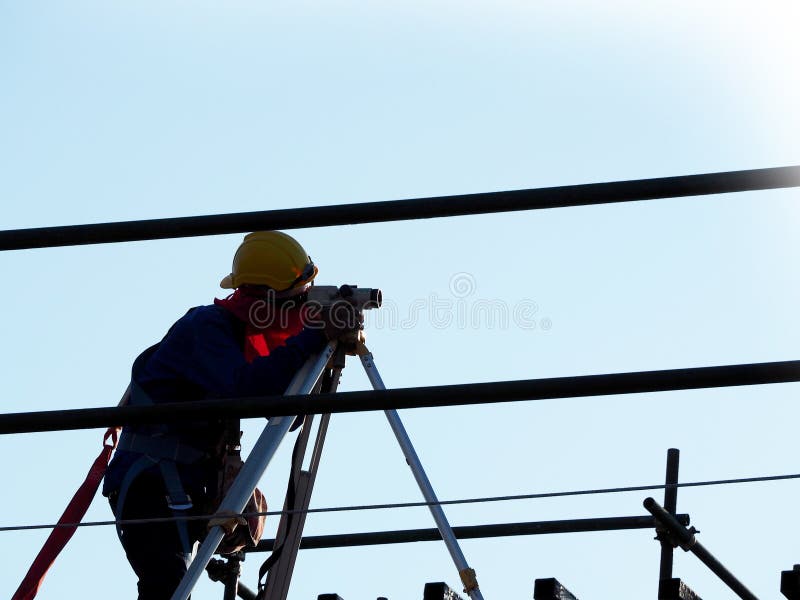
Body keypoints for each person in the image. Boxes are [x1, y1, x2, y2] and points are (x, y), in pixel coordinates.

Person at [102, 231, 360, 600]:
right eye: (299, 300)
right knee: (169, 591)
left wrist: (316, 351)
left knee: (172, 591)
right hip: (152, 482)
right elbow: (249, 390)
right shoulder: (208, 328)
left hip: (180, 484)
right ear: (265, 300)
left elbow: (289, 414)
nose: (305, 308)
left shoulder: (242, 331)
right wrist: (314, 337)